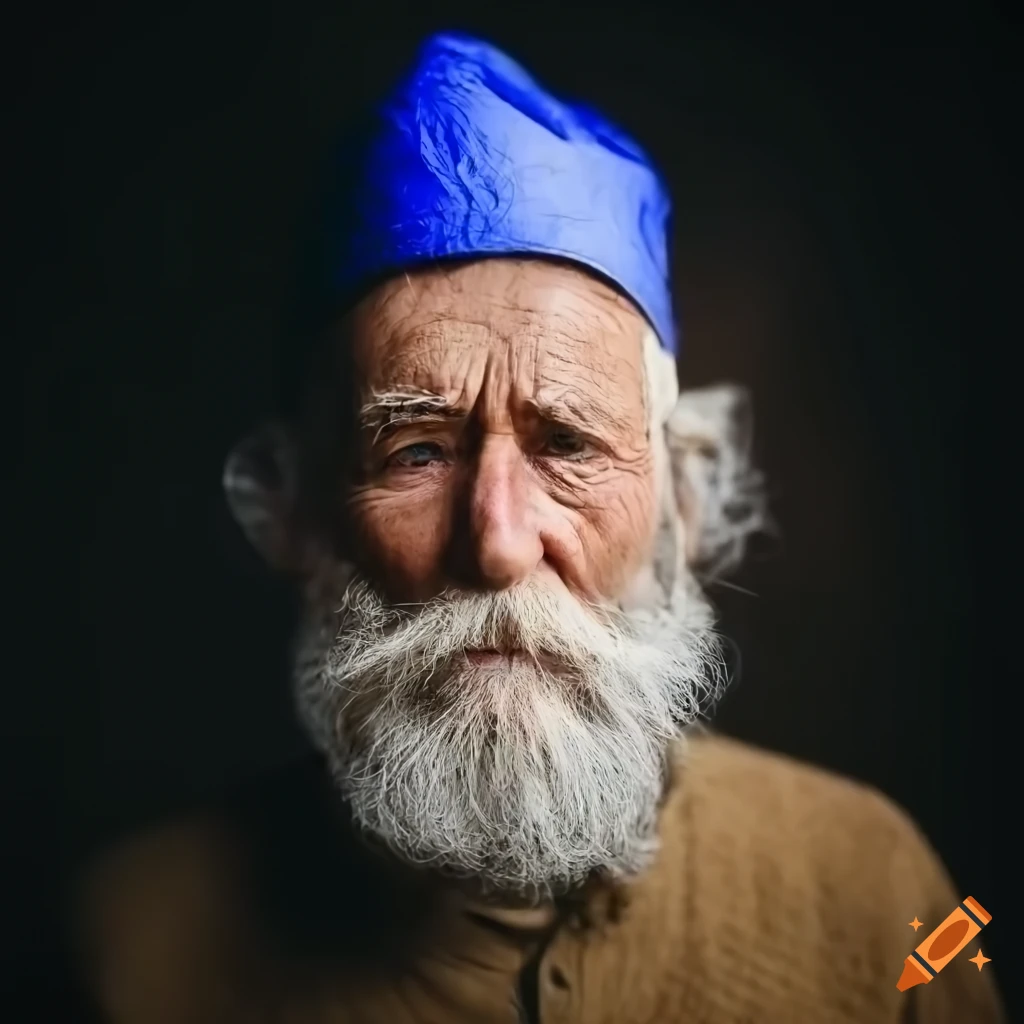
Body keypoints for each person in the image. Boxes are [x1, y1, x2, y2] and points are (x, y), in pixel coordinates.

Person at [73, 32, 1005, 1024]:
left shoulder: (884, 895)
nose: (502, 541)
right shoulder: (126, 948)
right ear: (295, 511)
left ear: (681, 503)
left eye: (568, 443)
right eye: (417, 451)